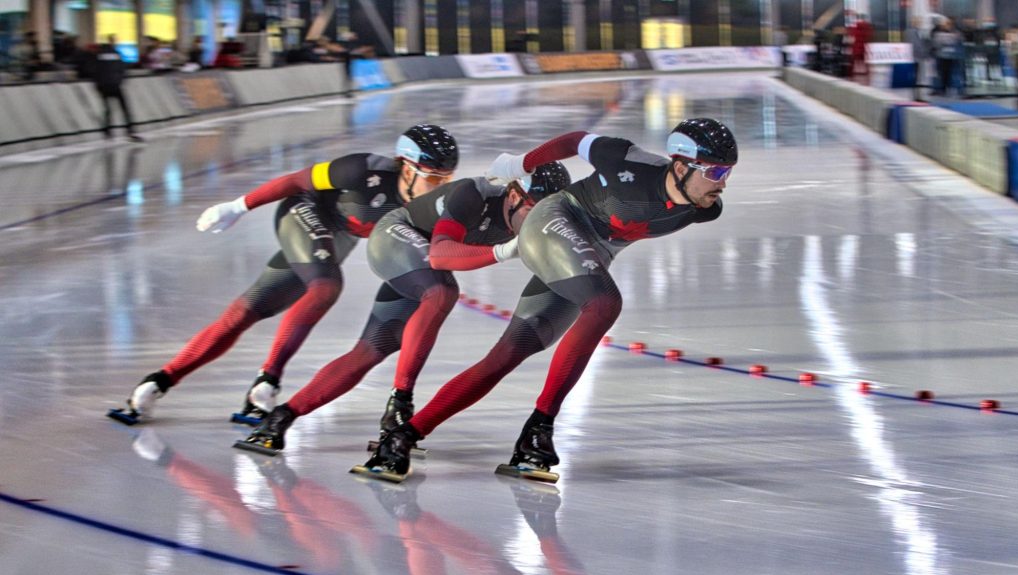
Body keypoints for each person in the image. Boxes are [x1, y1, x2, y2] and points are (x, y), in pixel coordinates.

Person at [360, 119, 736, 483]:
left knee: (509, 353)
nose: (723, 183)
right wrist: (519, 165)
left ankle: (404, 436)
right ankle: (540, 426)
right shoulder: (627, 160)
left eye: (728, 172)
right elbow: (575, 140)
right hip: (554, 219)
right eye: (716, 173)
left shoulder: (705, 208)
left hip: (587, 253)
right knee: (604, 304)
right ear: (682, 165)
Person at [107, 124, 459, 426]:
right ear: (406, 169)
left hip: (339, 233)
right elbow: (295, 181)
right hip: (304, 210)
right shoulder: (360, 170)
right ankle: (269, 379)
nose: (440, 186)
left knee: (252, 307)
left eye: (447, 179)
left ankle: (159, 380)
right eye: (433, 178)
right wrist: (238, 206)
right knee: (325, 287)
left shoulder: (430, 207)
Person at [235, 161, 572, 456]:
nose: (534, 226)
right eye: (532, 211)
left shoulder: (533, 218)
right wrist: (502, 251)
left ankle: (282, 417)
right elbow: (440, 255)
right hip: (397, 236)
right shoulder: (472, 195)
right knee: (441, 292)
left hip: (417, 267)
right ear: (513, 197)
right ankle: (400, 402)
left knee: (370, 350)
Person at [92, 35, 141, 141]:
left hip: (103, 85)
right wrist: (121, 80)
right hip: (115, 84)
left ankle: (107, 131)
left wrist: (97, 84)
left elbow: (94, 70)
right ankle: (129, 130)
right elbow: (122, 69)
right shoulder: (116, 54)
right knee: (124, 107)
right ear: (113, 42)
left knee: (107, 108)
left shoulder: (98, 55)